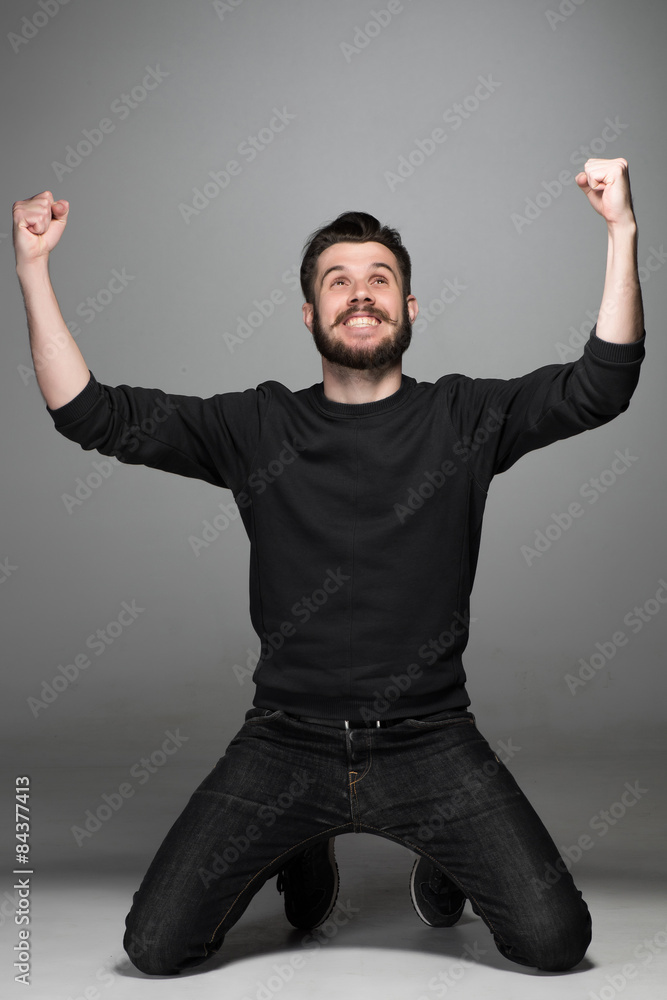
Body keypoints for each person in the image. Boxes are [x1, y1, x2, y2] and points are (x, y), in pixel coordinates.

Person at [13, 157, 645, 977]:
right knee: (155, 950)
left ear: (409, 309)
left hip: (429, 742)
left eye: (379, 279)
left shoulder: (465, 415)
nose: (360, 292)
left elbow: (602, 384)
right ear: (308, 313)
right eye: (338, 280)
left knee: (556, 943)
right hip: (284, 743)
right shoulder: (257, 425)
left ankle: (441, 850)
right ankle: (301, 843)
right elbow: (89, 414)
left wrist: (621, 230)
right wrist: (32, 267)